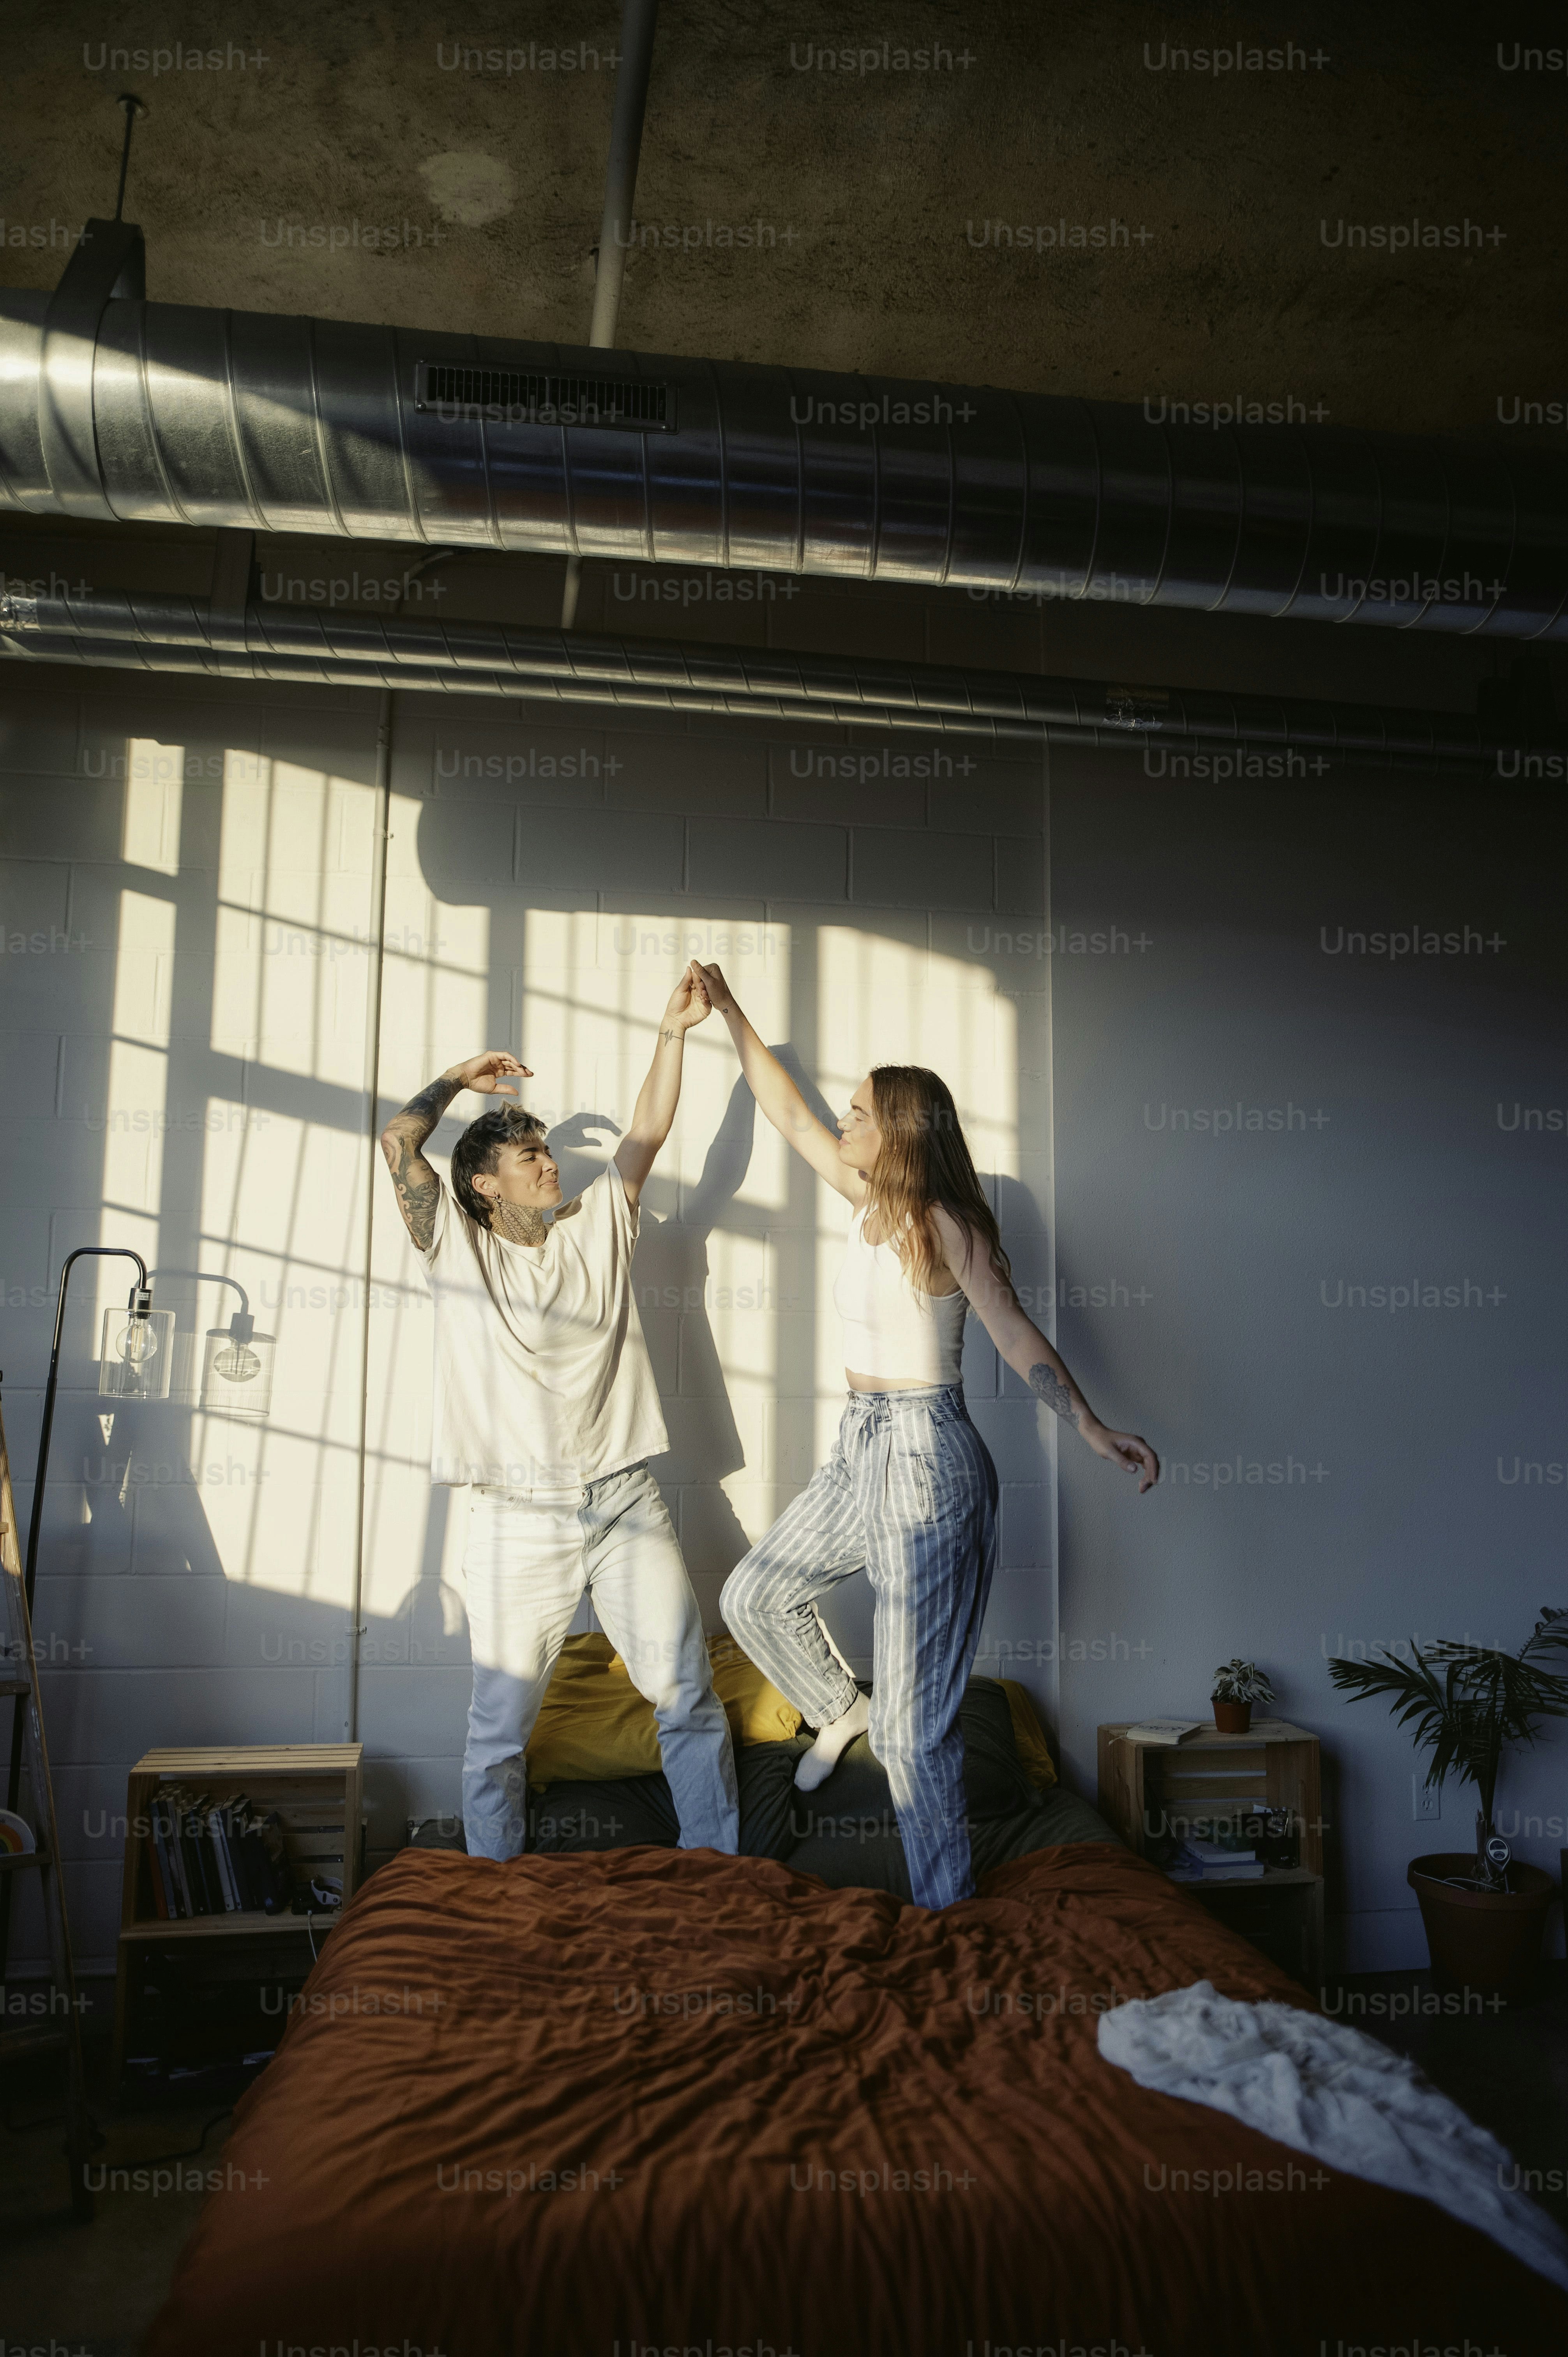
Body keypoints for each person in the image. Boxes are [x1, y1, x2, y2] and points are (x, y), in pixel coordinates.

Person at [696, 959, 1157, 1910]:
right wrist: (730, 1009)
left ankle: (947, 1914)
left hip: (926, 1461)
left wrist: (1087, 1424)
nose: (842, 1122)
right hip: (857, 1447)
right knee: (753, 1596)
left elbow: (1013, 1330)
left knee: (915, 1735)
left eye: (858, 1113)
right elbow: (786, 1112)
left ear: (900, 1131)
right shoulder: (864, 1199)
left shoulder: (944, 1224)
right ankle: (839, 1710)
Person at [378, 970, 739, 1861]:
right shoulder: (456, 1248)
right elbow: (397, 1140)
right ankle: (495, 1892)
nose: (549, 1164)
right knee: (499, 1726)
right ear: (484, 1185)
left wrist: (673, 1030)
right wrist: (457, 1080)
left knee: (685, 1693)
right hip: (515, 1516)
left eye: (546, 1151)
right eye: (529, 1157)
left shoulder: (598, 1224)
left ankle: (715, 1873)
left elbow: (648, 1129)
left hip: (624, 1501)